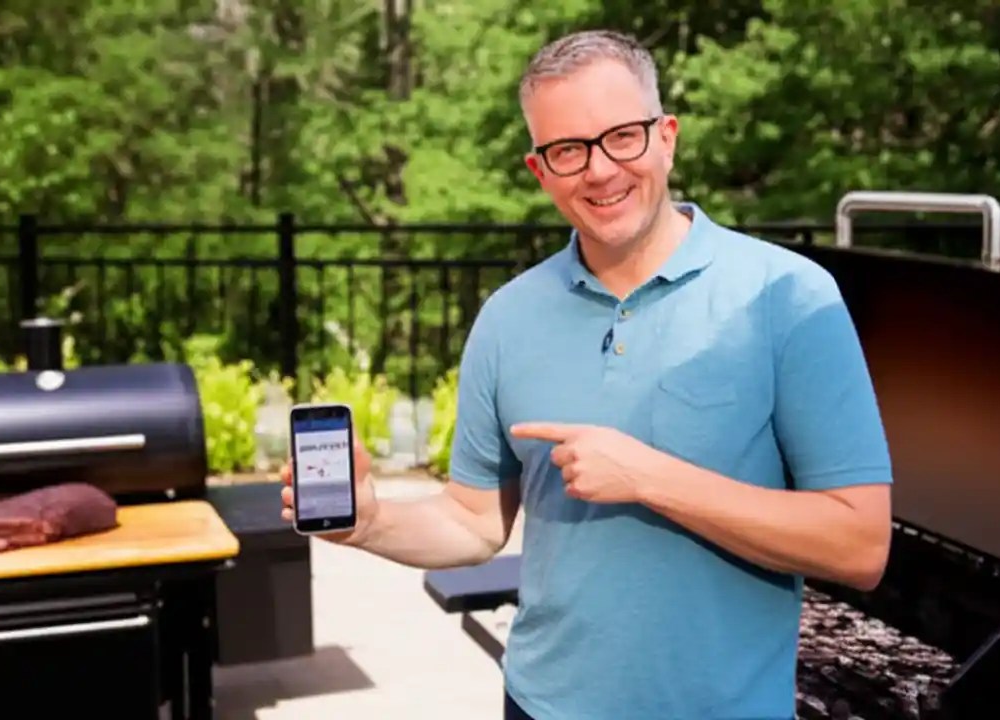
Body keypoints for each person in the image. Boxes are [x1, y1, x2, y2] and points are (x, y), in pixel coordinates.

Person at [280, 28, 893, 720]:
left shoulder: (789, 297)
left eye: (621, 137)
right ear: (540, 169)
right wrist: (368, 523)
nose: (599, 171)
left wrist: (646, 477)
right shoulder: (508, 318)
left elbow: (860, 542)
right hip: (541, 705)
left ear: (666, 136)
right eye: (567, 150)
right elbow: (474, 522)